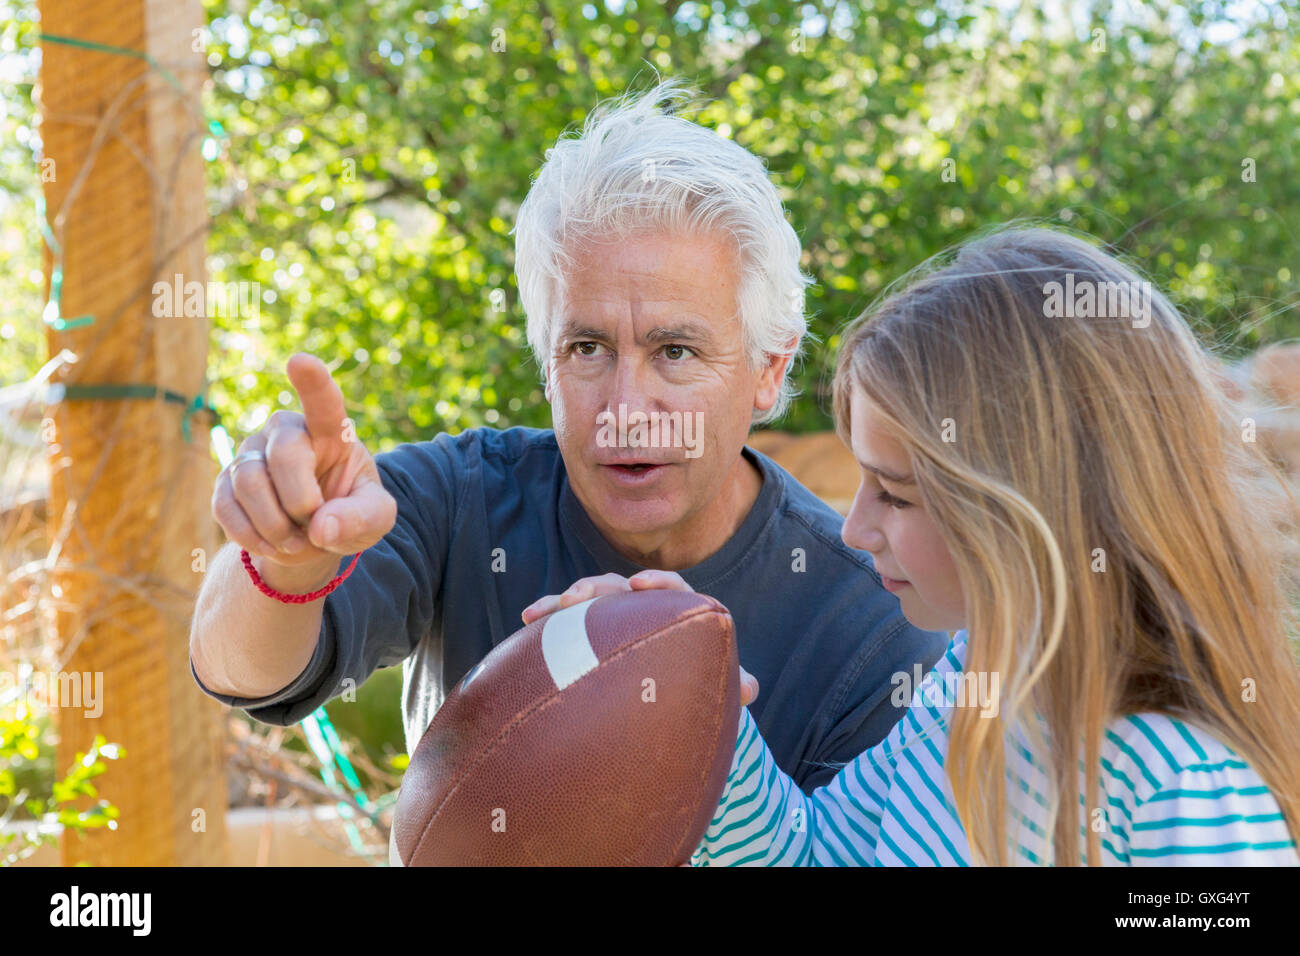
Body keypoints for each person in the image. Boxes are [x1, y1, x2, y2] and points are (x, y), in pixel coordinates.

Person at [188, 80, 949, 803]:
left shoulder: (870, 623)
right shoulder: (459, 498)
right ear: (544, 361)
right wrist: (283, 557)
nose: (624, 407)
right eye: (587, 348)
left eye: (675, 353)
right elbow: (241, 671)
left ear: (766, 370)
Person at [665, 225, 1300, 865]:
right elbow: (811, 853)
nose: (853, 531)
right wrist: (703, 711)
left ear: (1031, 508)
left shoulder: (1180, 788)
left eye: (895, 494)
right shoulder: (970, 676)